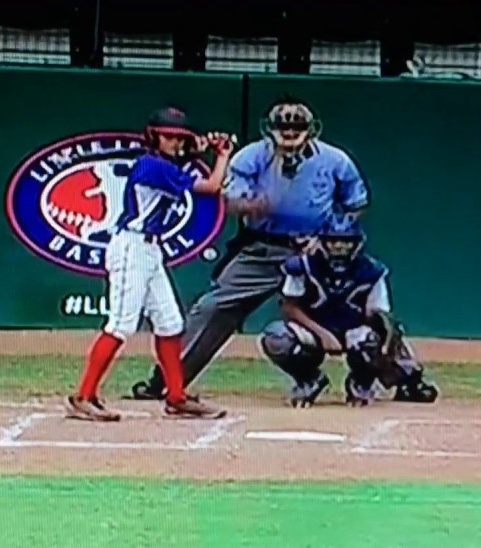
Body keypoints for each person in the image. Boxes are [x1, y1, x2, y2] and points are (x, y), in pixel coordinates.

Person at [128, 95, 368, 401]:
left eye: (297, 127)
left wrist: (329, 238)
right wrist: (253, 205)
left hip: (316, 252)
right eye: (283, 126)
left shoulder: (336, 160)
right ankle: (166, 380)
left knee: (358, 307)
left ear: (311, 129)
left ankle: (404, 374)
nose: (290, 132)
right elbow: (230, 201)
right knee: (213, 307)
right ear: (270, 129)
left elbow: (356, 203)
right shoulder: (251, 156)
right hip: (262, 250)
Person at [65, 106, 234, 422]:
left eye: (177, 138)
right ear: (154, 136)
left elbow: (182, 162)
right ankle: (82, 396)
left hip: (150, 251)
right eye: (168, 136)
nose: (174, 142)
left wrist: (198, 146)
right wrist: (222, 155)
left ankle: (176, 396)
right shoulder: (152, 166)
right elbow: (211, 187)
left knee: (171, 323)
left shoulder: (165, 164)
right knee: (120, 325)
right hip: (131, 247)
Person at [257, 234, 439, 406]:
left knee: (372, 340)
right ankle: (309, 380)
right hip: (314, 329)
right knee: (277, 337)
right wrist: (323, 334)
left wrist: (384, 351)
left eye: (346, 242)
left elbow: (379, 315)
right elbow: (289, 307)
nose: (339, 247)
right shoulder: (302, 266)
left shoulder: (372, 271)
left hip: (355, 330)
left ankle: (361, 382)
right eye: (333, 241)